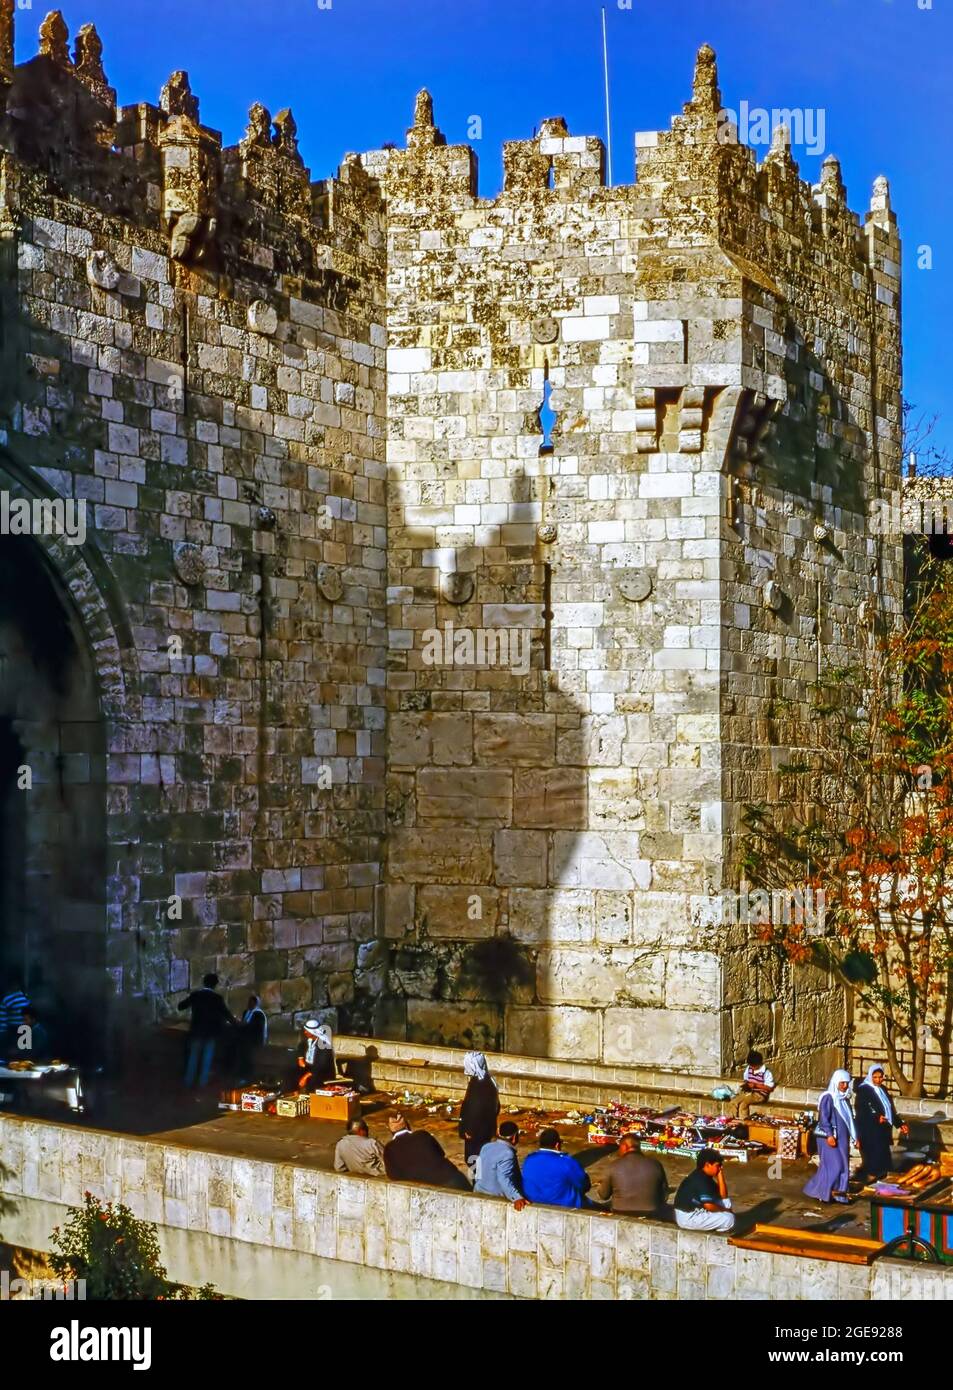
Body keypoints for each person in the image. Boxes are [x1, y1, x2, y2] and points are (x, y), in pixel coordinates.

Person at [803, 1068, 856, 1204]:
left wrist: (856, 1137)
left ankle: (839, 1194)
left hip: (842, 1138)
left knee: (844, 1166)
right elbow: (824, 1118)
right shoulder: (829, 1097)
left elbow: (849, 1120)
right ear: (836, 1082)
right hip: (829, 1138)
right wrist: (829, 1135)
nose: (844, 1086)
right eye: (842, 1083)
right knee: (834, 1165)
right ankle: (820, 1191)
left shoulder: (844, 1099)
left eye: (846, 1083)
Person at [383, 1113, 471, 1191]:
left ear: (391, 1131)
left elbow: (393, 1176)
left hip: (428, 1189)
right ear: (407, 1126)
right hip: (453, 1180)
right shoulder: (422, 1135)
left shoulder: (389, 1148)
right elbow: (441, 1153)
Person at [177, 973, 237, 1088]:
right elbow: (226, 1014)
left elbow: (181, 1006)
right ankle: (202, 1082)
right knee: (207, 1058)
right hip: (210, 1033)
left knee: (193, 1057)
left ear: (204, 982)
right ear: (215, 985)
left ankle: (188, 1082)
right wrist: (237, 1024)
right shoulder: (217, 998)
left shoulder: (196, 995)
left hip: (196, 1031)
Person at [855, 1062, 909, 1183]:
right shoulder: (864, 1090)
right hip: (870, 1132)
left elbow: (889, 1109)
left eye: (880, 1077)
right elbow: (862, 1111)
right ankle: (870, 1186)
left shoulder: (882, 1089)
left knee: (883, 1161)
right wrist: (876, 1117)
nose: (878, 1080)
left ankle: (882, 1187)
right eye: (875, 1077)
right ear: (870, 1076)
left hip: (882, 1132)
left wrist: (900, 1124)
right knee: (873, 1162)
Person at [595, 1131, 669, 1217]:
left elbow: (603, 1195)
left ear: (624, 1147)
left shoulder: (613, 1166)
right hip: (651, 1214)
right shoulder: (656, 1164)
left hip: (621, 1213)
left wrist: (600, 1185)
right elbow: (664, 1195)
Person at [521, 1127, 592, 1209]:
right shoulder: (566, 1161)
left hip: (534, 1202)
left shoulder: (529, 1159)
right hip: (566, 1205)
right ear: (557, 1145)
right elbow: (583, 1185)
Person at [673, 1149, 735, 1233]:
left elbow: (723, 1196)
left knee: (725, 1203)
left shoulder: (705, 1176)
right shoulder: (700, 1179)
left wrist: (720, 1174)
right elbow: (709, 1206)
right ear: (707, 1165)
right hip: (688, 1217)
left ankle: (717, 1224)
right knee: (729, 1219)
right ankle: (719, 1231)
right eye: (718, 1165)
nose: (721, 1167)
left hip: (697, 1210)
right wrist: (725, 1210)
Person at [474, 1121, 529, 1209]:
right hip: (494, 1196)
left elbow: (478, 1171)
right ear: (514, 1137)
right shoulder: (508, 1153)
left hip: (478, 1190)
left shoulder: (486, 1147)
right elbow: (504, 1177)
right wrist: (516, 1197)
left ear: (498, 1132)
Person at [459, 1051, 500, 1166]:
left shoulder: (478, 1085)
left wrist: (469, 1130)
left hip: (476, 1132)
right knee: (480, 1158)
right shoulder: (487, 1081)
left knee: (474, 1160)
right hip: (485, 1129)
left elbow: (474, 1110)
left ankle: (477, 1182)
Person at [729, 1050, 776, 1122]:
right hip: (748, 1092)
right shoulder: (749, 1068)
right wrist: (746, 1085)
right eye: (750, 1066)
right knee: (733, 1102)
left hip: (759, 1095)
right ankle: (733, 1120)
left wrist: (755, 1085)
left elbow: (769, 1088)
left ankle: (743, 1123)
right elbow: (746, 1079)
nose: (751, 1067)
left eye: (753, 1066)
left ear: (758, 1064)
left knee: (743, 1104)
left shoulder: (766, 1072)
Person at [296, 1018, 336, 1091]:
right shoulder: (309, 1040)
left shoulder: (324, 1045)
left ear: (313, 1032)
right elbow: (301, 1046)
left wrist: (305, 1077)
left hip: (322, 1072)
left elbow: (320, 1066)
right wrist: (300, 1058)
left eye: (307, 1031)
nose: (305, 1032)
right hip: (310, 1067)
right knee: (291, 1070)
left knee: (312, 1081)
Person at [235, 994, 267, 1082]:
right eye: (249, 1002)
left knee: (248, 1057)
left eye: (252, 1002)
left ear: (256, 1004)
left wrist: (244, 1025)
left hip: (253, 1040)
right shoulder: (246, 1012)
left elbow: (255, 1028)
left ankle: (246, 1077)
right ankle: (240, 1075)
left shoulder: (259, 1014)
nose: (249, 1004)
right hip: (244, 1039)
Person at [0, 984, 30, 1049]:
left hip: (14, 1029)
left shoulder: (8, 999)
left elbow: (2, 1020)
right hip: (23, 1028)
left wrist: (2, 1033)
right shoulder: (26, 998)